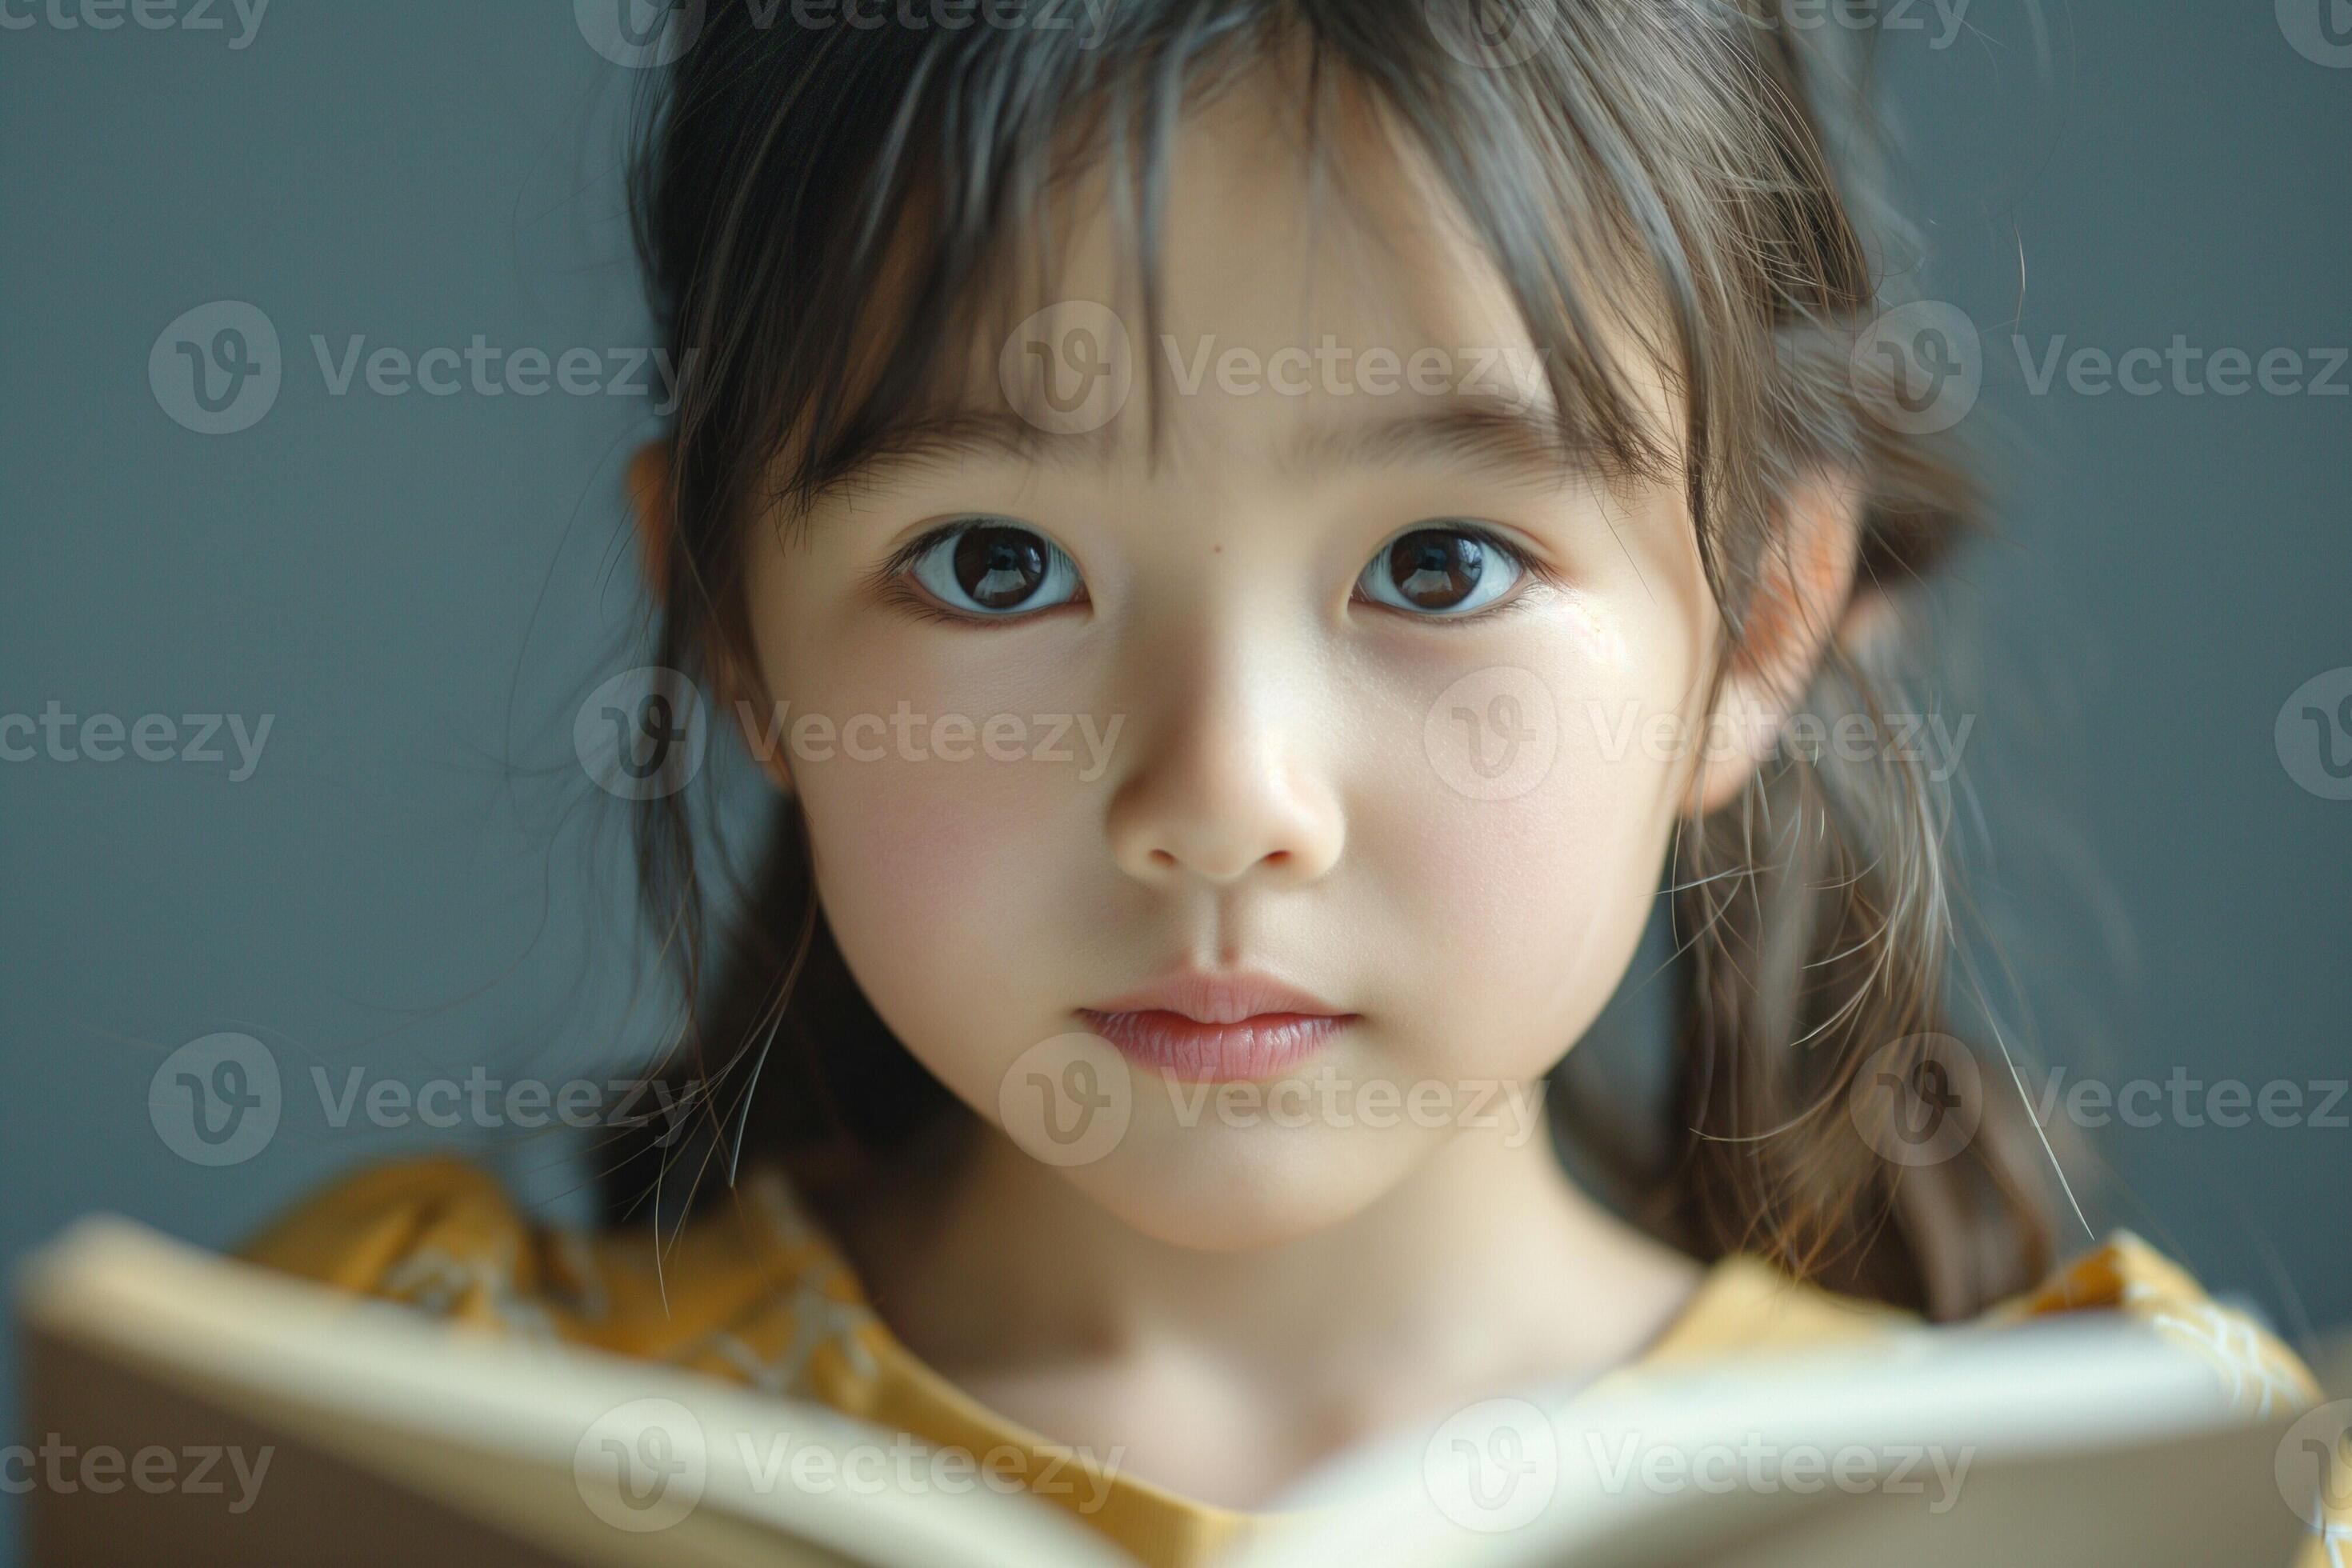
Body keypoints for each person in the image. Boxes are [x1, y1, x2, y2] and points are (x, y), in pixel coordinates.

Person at [244, 3, 2344, 1562]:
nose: (1223, 800)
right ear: (734, 625)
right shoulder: (406, 1419)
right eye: (997, 565)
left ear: (1755, 630)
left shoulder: (2102, 1511)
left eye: (1436, 565)